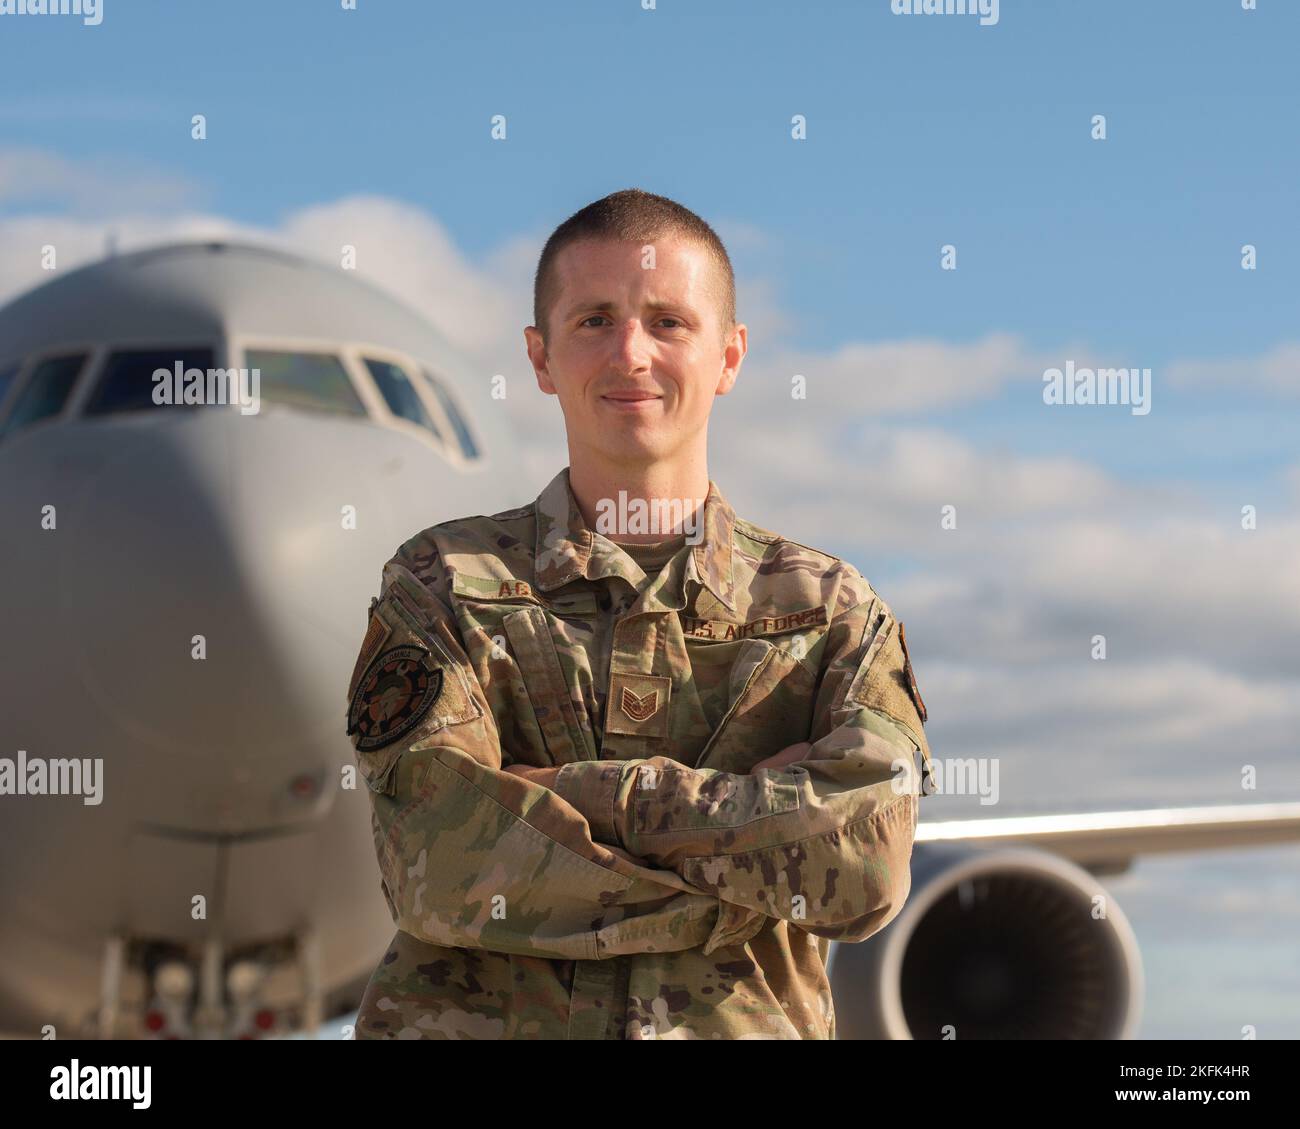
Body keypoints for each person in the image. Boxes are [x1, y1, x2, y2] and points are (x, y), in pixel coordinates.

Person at [344, 188, 935, 1039]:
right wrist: (749, 858)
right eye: (593, 320)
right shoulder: (443, 586)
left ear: (729, 356)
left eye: (668, 322)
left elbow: (864, 865)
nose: (630, 353)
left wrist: (581, 806)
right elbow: (438, 863)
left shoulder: (828, 612)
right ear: (540, 356)